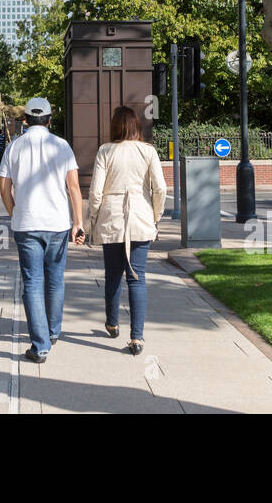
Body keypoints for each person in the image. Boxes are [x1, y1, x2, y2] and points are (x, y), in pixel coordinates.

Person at [0, 97, 83, 364]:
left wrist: (15, 212)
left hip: (27, 224)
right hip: (57, 223)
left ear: (24, 120)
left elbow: (3, 186)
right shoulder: (62, 146)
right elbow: (74, 187)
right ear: (49, 119)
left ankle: (40, 345)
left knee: (32, 283)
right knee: (55, 280)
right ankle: (53, 331)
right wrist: (78, 222)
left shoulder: (14, 146)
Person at [86, 105, 166, 356]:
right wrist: (156, 216)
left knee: (112, 274)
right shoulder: (148, 151)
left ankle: (112, 322)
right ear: (136, 127)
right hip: (140, 217)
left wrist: (93, 218)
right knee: (137, 276)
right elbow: (160, 188)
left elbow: (96, 191)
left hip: (112, 217)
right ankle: (137, 337)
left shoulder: (105, 151)